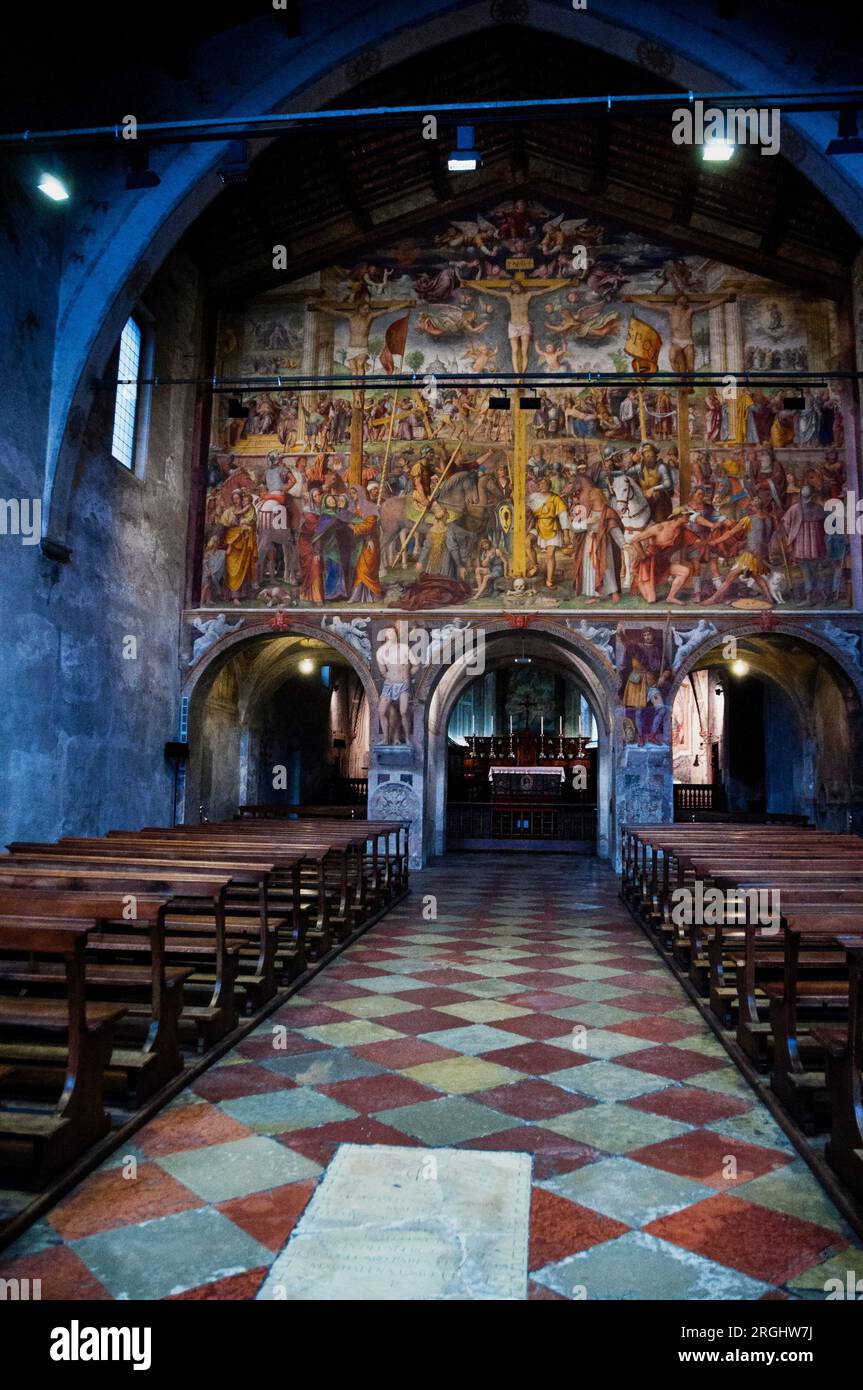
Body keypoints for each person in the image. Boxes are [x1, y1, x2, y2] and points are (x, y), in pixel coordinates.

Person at [783, 484, 826, 605]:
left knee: (807, 571)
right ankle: (820, 594)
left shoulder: (795, 508)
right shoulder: (818, 508)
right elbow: (823, 528)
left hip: (801, 546)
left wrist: (789, 534)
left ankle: (810, 598)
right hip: (815, 546)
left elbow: (786, 525)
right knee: (813, 570)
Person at [527, 476, 570, 588]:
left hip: (552, 527)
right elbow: (522, 504)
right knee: (527, 542)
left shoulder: (556, 499)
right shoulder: (534, 498)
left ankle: (549, 580)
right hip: (539, 526)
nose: (541, 486)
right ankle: (534, 566)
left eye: (544, 484)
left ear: (549, 486)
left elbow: (563, 516)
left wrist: (566, 534)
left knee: (550, 554)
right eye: (540, 484)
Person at [218, 488, 258, 603]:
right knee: (232, 569)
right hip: (232, 542)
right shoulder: (228, 512)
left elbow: (253, 524)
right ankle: (233, 596)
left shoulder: (248, 511)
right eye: (234, 499)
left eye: (238, 498)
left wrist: (248, 529)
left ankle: (242, 594)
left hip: (244, 543)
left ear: (242, 499)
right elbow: (222, 527)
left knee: (243, 569)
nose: (236, 501)